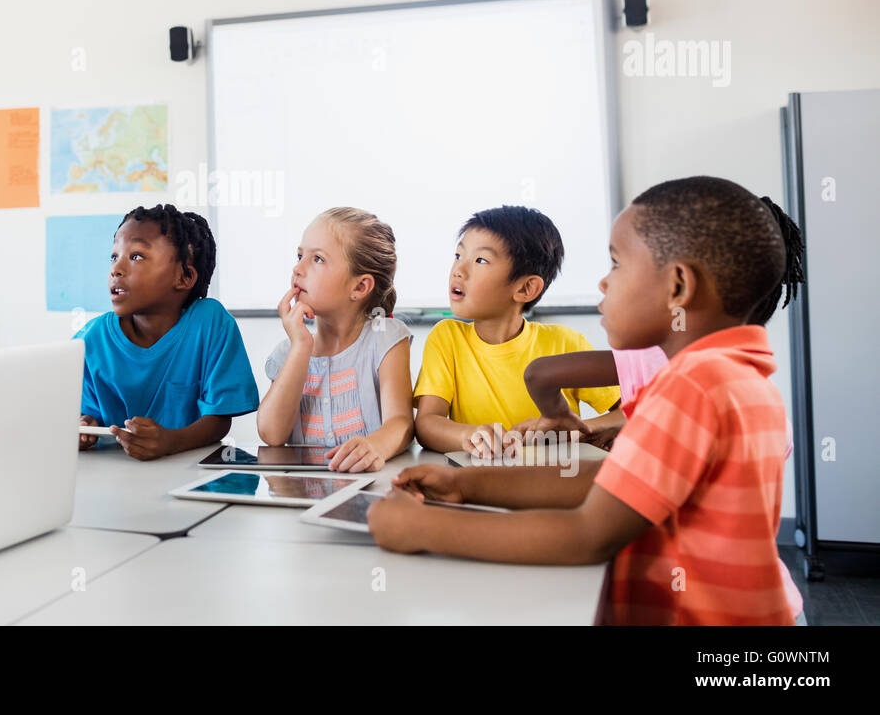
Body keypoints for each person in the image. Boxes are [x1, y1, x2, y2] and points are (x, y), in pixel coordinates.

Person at [369, 177, 802, 625]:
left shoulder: (696, 388)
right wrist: (466, 484)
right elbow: (614, 476)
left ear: (678, 288)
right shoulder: (730, 379)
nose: (603, 281)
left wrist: (423, 528)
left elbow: (586, 536)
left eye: (616, 265)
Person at [412, 206, 620, 458]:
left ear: (526, 288)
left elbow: (633, 410)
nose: (458, 270)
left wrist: (576, 431)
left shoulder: (565, 341)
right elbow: (426, 424)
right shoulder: (446, 337)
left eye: (480, 260)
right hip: (476, 480)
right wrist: (470, 437)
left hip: (552, 480)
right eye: (458, 255)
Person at [76, 205, 258, 460]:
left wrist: (170, 442)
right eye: (114, 256)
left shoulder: (210, 323)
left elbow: (218, 420)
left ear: (184, 277)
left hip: (187, 475)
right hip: (111, 479)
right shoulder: (91, 339)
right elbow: (81, 414)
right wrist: (83, 426)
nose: (116, 269)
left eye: (136, 256)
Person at [257, 207, 413, 473]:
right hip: (302, 495)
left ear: (360, 287)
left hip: (368, 487)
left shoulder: (385, 339)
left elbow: (401, 422)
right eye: (299, 255)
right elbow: (272, 434)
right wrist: (301, 347)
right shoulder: (290, 351)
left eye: (317, 259)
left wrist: (376, 446)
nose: (297, 268)